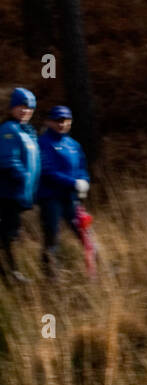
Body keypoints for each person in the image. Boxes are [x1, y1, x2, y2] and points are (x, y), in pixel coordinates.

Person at [36, 106, 90, 280]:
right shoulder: (43, 143)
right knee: (52, 238)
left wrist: (84, 181)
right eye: (58, 120)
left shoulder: (74, 145)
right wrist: (74, 183)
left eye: (66, 120)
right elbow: (48, 172)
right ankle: (52, 279)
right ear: (50, 122)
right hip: (51, 198)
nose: (62, 124)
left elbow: (82, 168)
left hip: (71, 199)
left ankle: (96, 274)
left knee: (86, 236)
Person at [0, 88, 41, 284]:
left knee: (11, 232)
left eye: (29, 107)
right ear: (13, 108)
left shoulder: (27, 131)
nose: (25, 111)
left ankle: (10, 273)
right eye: (21, 107)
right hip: (8, 192)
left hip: (20, 193)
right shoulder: (9, 129)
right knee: (9, 233)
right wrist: (24, 177)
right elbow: (8, 160)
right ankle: (12, 274)